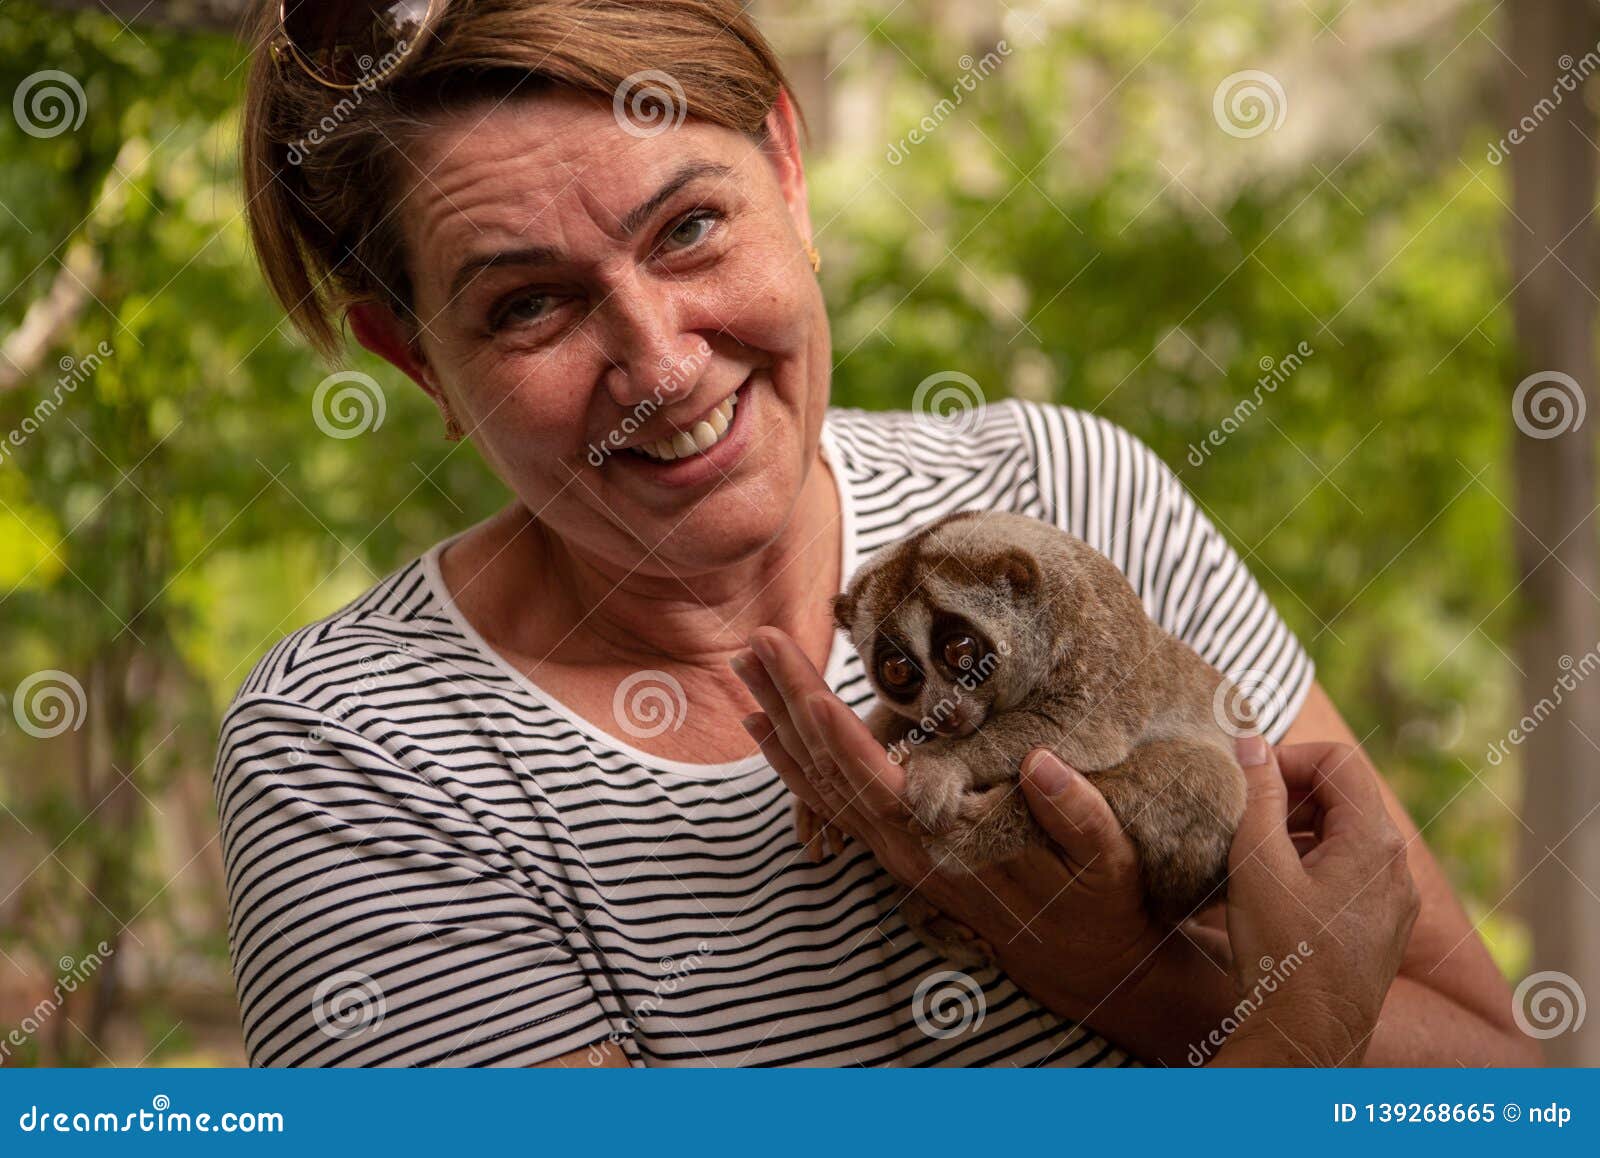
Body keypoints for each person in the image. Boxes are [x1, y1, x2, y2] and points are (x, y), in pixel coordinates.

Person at [216, 0, 1535, 1066]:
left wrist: (1128, 975)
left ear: (788, 168)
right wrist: (1287, 1045)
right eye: (529, 308)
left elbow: (1506, 1084)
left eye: (689, 227)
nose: (663, 366)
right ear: (413, 359)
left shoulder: (1066, 492)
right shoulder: (364, 755)